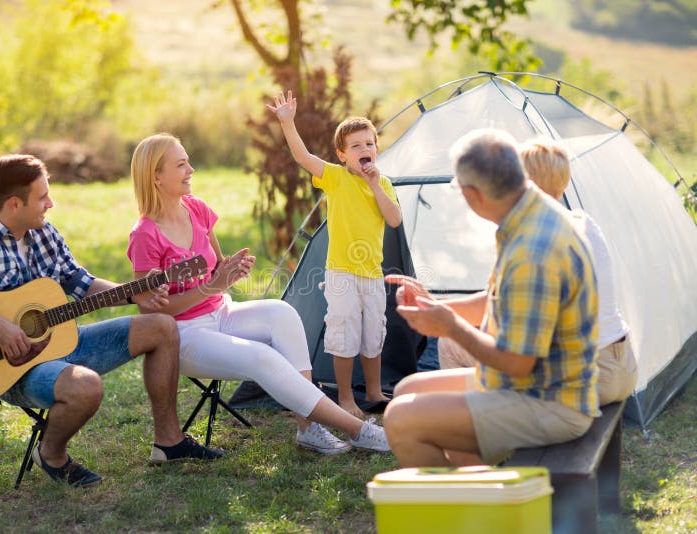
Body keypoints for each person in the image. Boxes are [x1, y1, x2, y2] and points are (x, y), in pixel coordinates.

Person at [0, 154, 222, 488]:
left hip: (62, 345)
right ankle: (52, 454)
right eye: (42, 197)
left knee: (161, 326)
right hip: (14, 368)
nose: (51, 203)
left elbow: (83, 285)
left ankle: (169, 442)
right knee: (86, 386)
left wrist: (135, 293)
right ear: (15, 204)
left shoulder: (44, 235)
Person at [126, 133, 390, 455]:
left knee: (283, 313)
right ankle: (358, 431)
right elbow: (153, 315)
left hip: (220, 312)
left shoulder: (196, 209)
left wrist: (231, 268)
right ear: (156, 176)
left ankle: (309, 428)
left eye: (188, 162)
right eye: (181, 165)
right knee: (260, 356)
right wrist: (213, 285)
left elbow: (217, 268)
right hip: (185, 335)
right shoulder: (144, 235)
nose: (191, 169)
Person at [383, 128, 600, 467]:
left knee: (400, 419)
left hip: (551, 400)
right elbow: (500, 297)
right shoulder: (529, 213)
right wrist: (436, 308)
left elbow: (517, 362)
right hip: (535, 383)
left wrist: (451, 327)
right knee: (406, 391)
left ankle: (463, 516)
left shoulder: (532, 250)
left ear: (472, 194)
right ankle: (477, 489)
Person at [268, 90, 403, 418]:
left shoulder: (382, 184)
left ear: (377, 149)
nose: (365, 150)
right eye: (356, 146)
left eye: (369, 144)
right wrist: (288, 123)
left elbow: (394, 219)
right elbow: (303, 158)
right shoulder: (336, 178)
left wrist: (373, 185)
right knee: (343, 334)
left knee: (374, 334)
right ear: (342, 155)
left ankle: (372, 391)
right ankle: (345, 398)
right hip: (341, 272)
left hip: (372, 273)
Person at [520, 139, 638, 405]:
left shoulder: (541, 237)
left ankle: (474, 435)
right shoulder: (583, 220)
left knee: (455, 350)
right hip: (624, 366)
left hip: (590, 376)